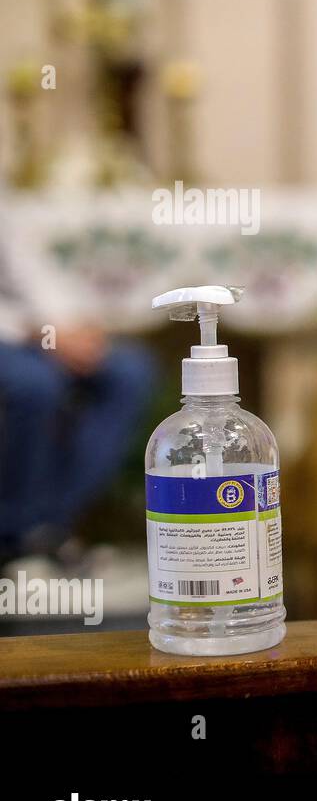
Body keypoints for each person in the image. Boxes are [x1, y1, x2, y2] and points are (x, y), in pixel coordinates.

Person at [0, 240, 155, 567]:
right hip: (14, 333)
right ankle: (15, 531)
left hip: (37, 330)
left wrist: (72, 323)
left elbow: (22, 265)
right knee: (35, 386)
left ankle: (48, 525)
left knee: (130, 373)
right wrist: (38, 334)